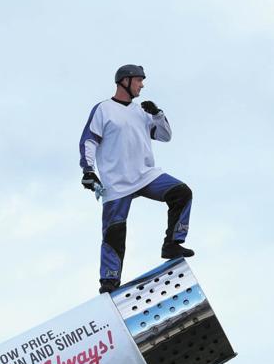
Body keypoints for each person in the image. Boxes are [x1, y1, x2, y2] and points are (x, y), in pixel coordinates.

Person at [79, 64, 194, 294]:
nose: (142, 85)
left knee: (182, 193)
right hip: (116, 183)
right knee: (114, 232)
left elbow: (165, 136)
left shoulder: (141, 112)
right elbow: (89, 140)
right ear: (125, 81)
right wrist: (88, 170)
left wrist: (157, 114)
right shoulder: (104, 109)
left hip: (145, 175)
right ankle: (109, 281)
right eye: (139, 80)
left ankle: (171, 244)